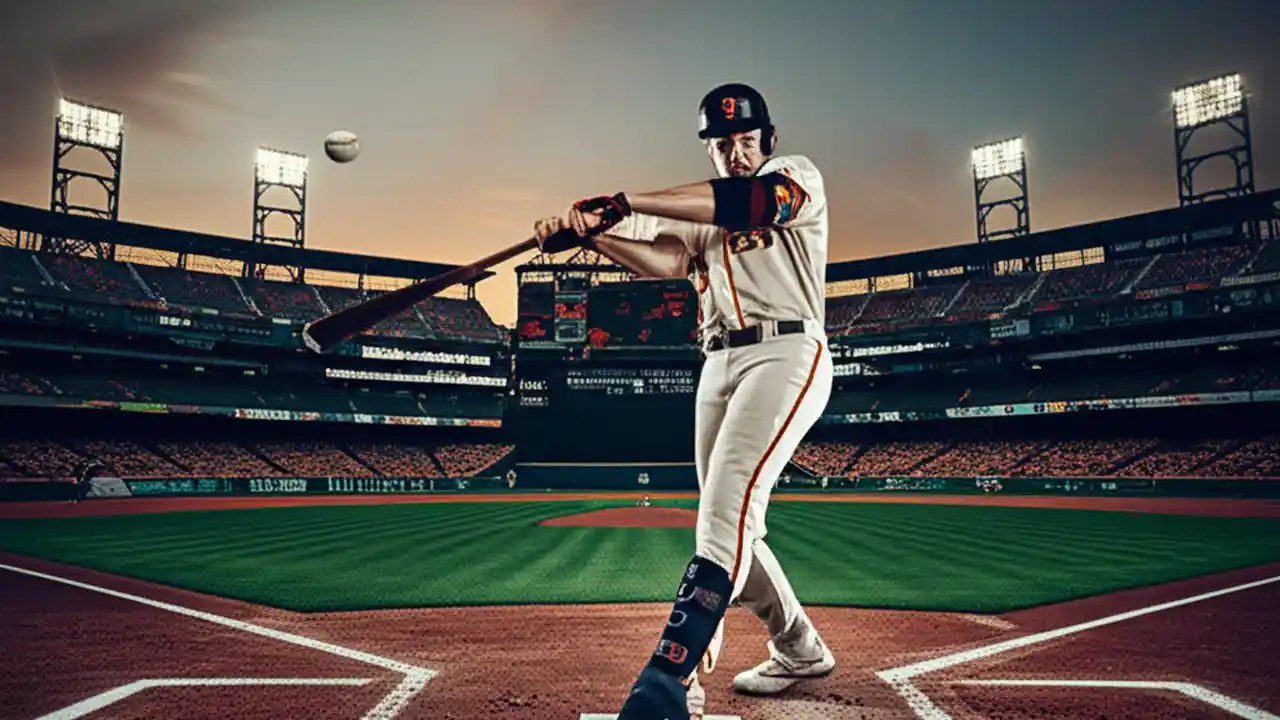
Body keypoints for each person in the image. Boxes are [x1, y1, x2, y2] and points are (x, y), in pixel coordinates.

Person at [533, 82, 835, 720]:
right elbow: (666, 261)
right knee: (725, 525)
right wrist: (590, 238)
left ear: (768, 141)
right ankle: (798, 646)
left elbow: (750, 204)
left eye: (746, 140)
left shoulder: (794, 178)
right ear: (710, 150)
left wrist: (623, 201)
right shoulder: (705, 214)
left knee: (724, 519)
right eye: (722, 145)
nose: (736, 153)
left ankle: (675, 679)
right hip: (718, 361)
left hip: (785, 353)